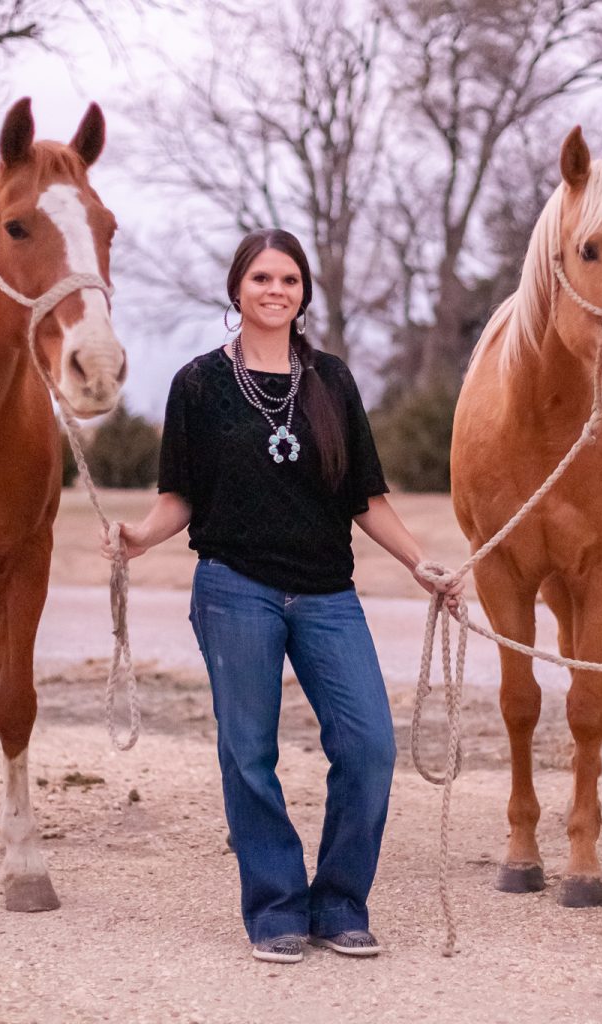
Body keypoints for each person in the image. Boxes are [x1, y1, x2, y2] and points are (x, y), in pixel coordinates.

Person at [106, 228, 463, 964]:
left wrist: (421, 564)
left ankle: (339, 904)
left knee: (370, 746)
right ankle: (275, 909)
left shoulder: (332, 381)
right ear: (237, 289)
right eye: (263, 278)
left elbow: (367, 500)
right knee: (248, 754)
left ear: (304, 294)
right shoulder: (198, 385)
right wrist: (139, 537)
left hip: (328, 594)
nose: (276, 291)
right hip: (234, 589)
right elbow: (178, 499)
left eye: (290, 280)